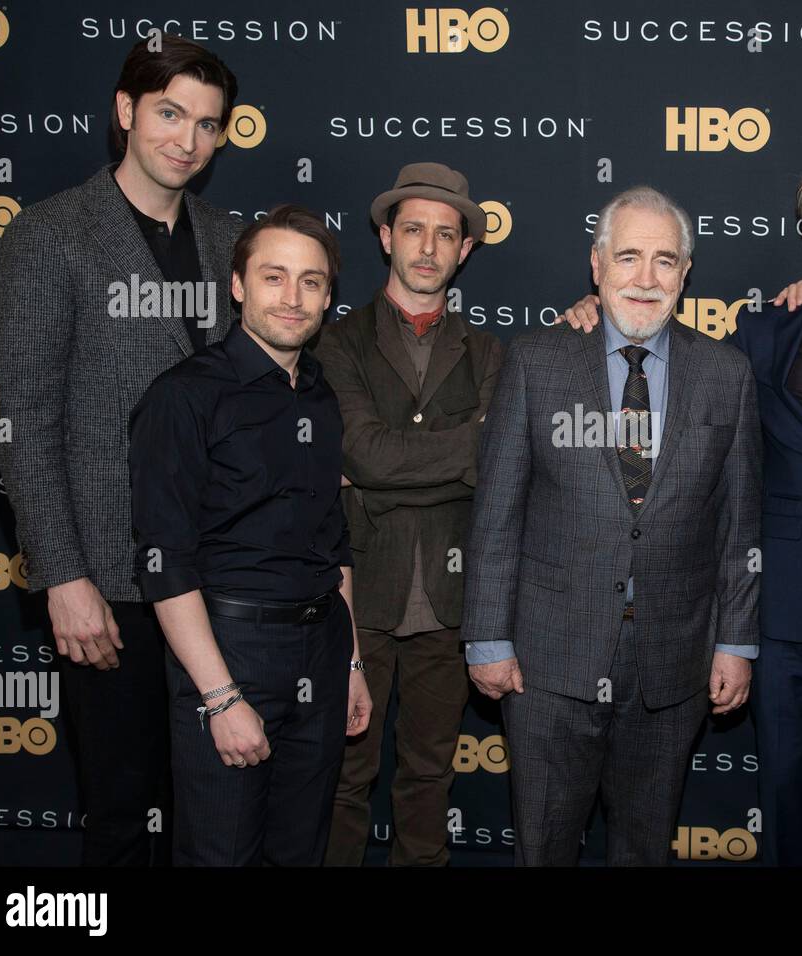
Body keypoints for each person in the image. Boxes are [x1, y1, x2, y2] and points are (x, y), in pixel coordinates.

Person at [558, 149, 802, 865]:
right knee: (784, 811)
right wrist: (591, 315)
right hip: (782, 622)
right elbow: (666, 362)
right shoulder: (760, 337)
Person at [0, 35, 242, 866]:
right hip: (111, 584)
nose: (187, 139)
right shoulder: (49, 236)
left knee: (214, 811)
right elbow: (24, 423)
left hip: (218, 580)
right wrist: (62, 575)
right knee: (124, 816)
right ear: (125, 111)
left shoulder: (231, 240)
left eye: (207, 124)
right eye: (170, 113)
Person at [463, 186, 762, 865]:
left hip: (673, 665)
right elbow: (497, 513)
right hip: (546, 663)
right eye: (628, 257)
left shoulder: (727, 375)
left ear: (686, 275)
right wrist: (486, 636)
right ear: (596, 266)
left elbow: (740, 528)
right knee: (543, 847)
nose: (646, 278)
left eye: (665, 261)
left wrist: (737, 644)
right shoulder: (538, 362)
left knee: (644, 849)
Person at [128, 205, 372, 866]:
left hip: (321, 650)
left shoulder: (320, 396)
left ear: (328, 295)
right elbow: (163, 562)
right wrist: (220, 697)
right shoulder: (185, 397)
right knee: (222, 856)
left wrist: (349, 664)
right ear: (238, 285)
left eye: (311, 281)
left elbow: (334, 541)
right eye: (274, 277)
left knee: (301, 851)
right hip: (231, 651)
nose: (292, 298)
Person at [312, 163, 502, 867]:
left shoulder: (487, 354)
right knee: (344, 779)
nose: (428, 247)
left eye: (445, 234)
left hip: (453, 604)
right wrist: (451, 458)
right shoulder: (337, 342)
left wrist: (383, 474)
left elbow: (494, 463)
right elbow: (361, 453)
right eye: (414, 229)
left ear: (465, 250)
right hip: (358, 594)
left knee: (430, 778)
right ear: (386, 235)